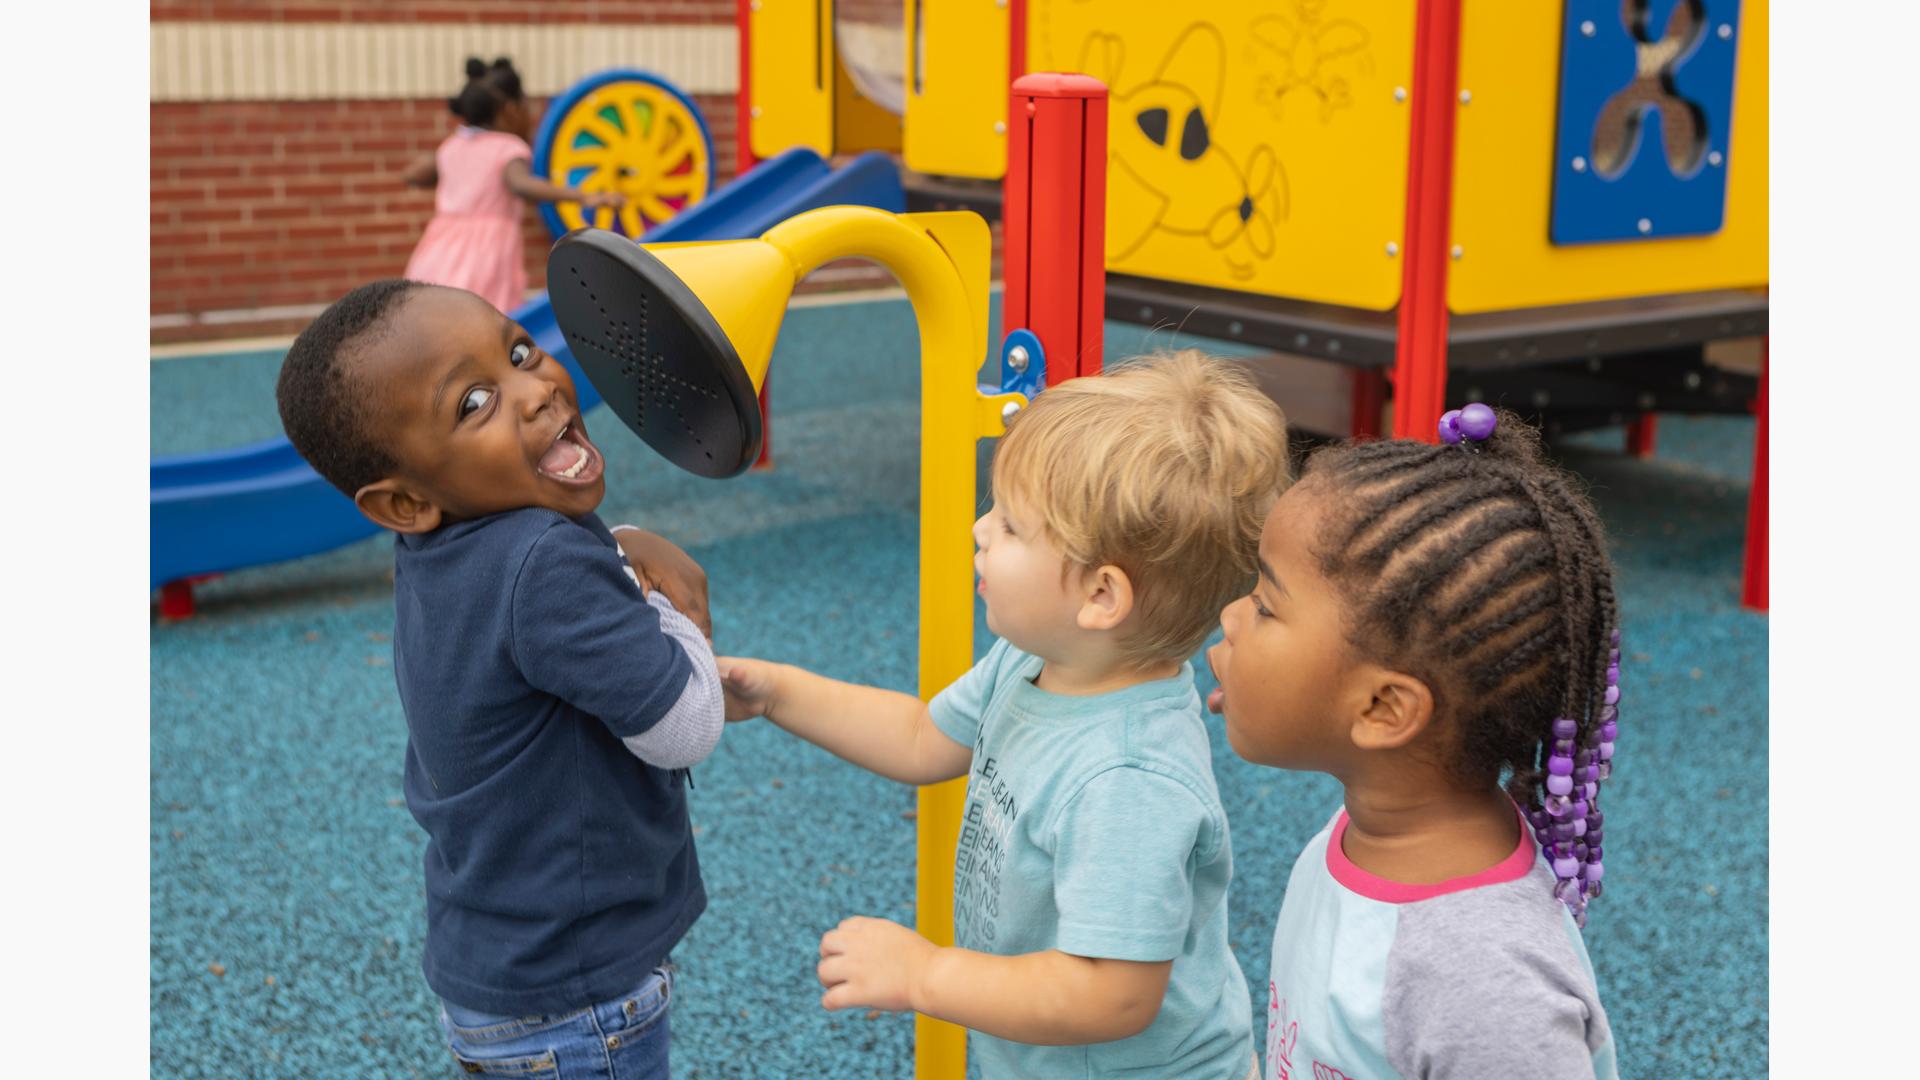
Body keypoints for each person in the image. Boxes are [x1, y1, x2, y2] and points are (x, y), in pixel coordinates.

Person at [720, 352, 1291, 1079]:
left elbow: (1112, 995)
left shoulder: (1127, 778)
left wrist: (927, 975)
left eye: (1013, 526)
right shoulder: (1035, 660)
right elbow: (923, 736)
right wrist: (778, 692)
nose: (979, 530)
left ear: (1101, 596)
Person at [275, 279, 718, 1077]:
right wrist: (677, 615)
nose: (536, 389)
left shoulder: (443, 551)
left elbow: (526, 608)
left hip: (497, 971)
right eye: (475, 401)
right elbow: (687, 723)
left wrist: (619, 545)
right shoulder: (547, 565)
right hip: (580, 996)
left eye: (518, 351)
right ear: (406, 500)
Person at [1206, 404, 1621, 1079]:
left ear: (1382, 708)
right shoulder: (1370, 827)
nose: (1230, 617)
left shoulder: (1484, 988)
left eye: (1265, 606)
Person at [401, 57, 624, 315]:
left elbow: (417, 174)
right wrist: (583, 196)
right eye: (525, 106)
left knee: (438, 311)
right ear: (510, 110)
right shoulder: (507, 147)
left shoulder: (452, 146)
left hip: (439, 249)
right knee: (485, 314)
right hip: (484, 254)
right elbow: (521, 184)